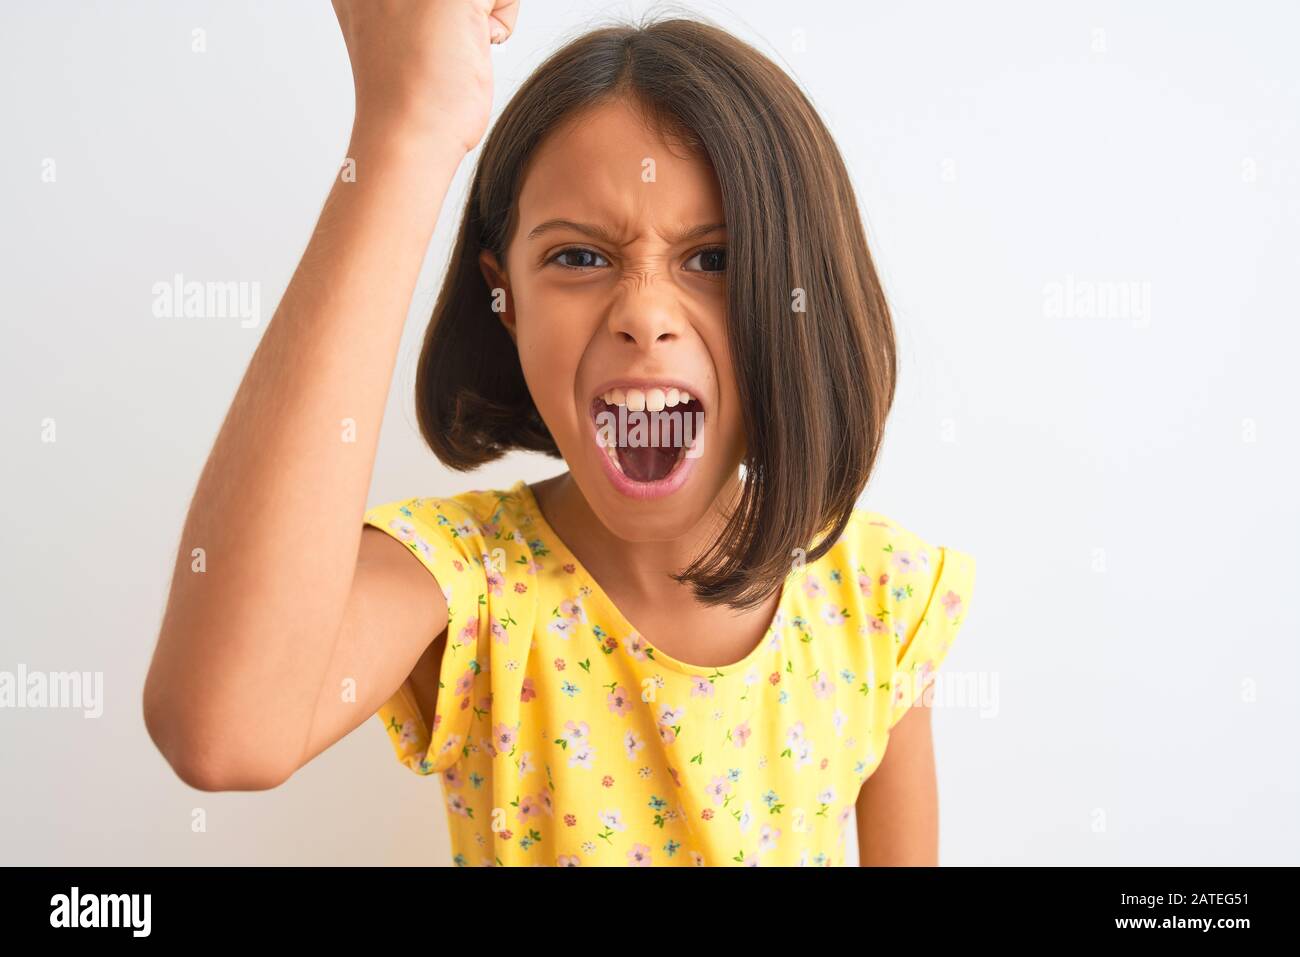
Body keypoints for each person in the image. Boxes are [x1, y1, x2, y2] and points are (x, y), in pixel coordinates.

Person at [143, 0, 976, 867]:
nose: (645, 313)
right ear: (506, 303)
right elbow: (223, 730)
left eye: (714, 259)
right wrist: (407, 127)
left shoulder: (877, 596)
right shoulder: (470, 582)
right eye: (578, 257)